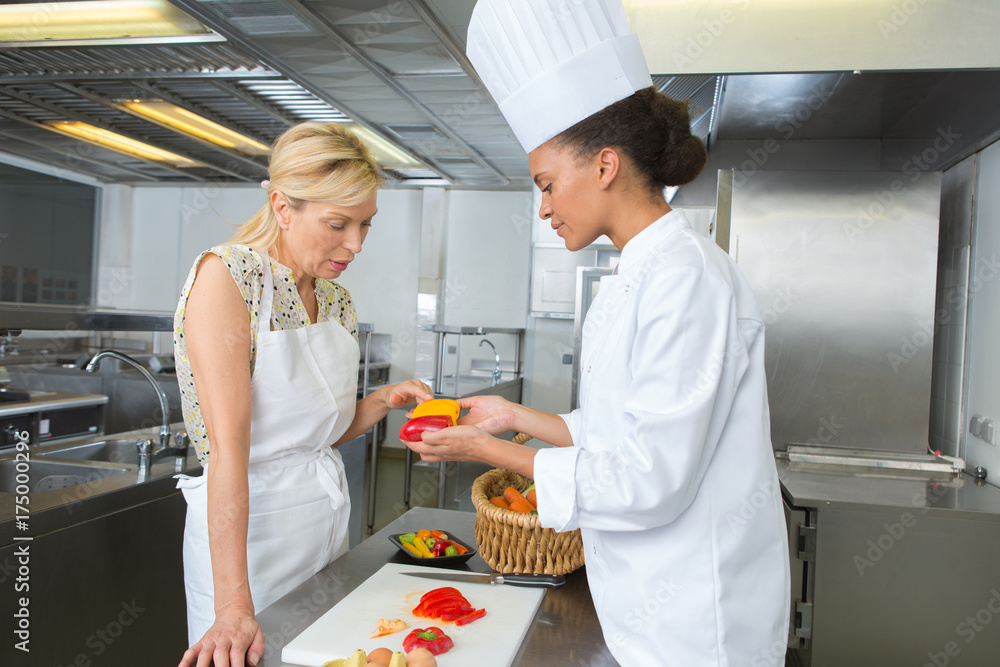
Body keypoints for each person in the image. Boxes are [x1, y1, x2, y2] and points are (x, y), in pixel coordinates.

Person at [402, 1, 790, 664]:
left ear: (605, 165)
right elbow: (621, 429)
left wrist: (485, 449)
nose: (546, 207)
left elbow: (649, 478)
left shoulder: (685, 279)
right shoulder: (638, 272)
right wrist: (509, 414)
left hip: (698, 625)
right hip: (646, 610)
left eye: (548, 184)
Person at [173, 122, 432, 667]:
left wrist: (383, 401)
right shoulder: (229, 277)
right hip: (248, 548)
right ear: (283, 206)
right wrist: (233, 605)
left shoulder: (336, 298)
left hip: (322, 526)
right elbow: (229, 448)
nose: (355, 244)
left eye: (366, 225)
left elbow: (318, 433)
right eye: (338, 224)